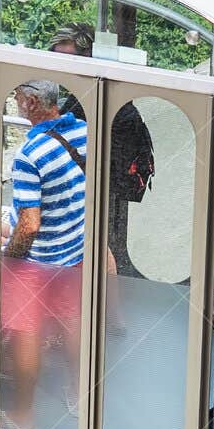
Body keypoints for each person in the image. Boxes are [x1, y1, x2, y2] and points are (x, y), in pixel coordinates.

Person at [0, 79, 88, 429]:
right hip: (74, 249)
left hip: (38, 262)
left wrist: (10, 260)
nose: (15, 104)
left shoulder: (28, 157)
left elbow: (30, 224)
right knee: (72, 322)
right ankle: (79, 395)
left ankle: (23, 417)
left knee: (26, 333)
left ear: (32, 103)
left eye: (16, 97)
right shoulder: (83, 131)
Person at [50, 22, 155, 275]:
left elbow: (60, 132)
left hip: (105, 185)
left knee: (99, 243)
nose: (63, 68)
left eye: (69, 59)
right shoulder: (89, 91)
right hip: (108, 184)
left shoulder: (91, 95)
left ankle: (105, 295)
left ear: (87, 56)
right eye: (56, 59)